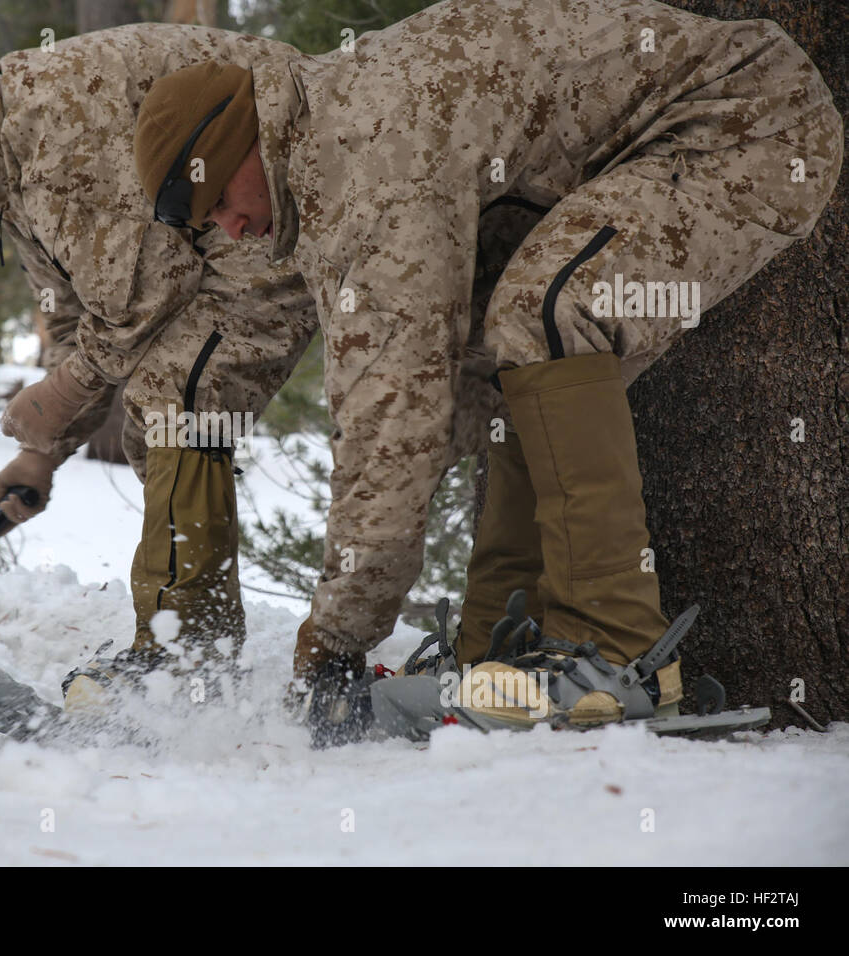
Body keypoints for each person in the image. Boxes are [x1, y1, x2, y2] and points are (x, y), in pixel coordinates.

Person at [132, 0, 842, 743]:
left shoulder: (360, 158)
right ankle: (502, 647)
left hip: (748, 122)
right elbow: (438, 399)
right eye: (208, 223)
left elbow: (391, 424)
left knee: (548, 311)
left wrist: (335, 642)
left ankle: (615, 652)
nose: (233, 229)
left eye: (218, 203)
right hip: (668, 142)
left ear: (242, 143)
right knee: (511, 352)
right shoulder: (325, 141)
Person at [0, 25, 328, 705]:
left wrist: (62, 390)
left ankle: (180, 659)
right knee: (166, 418)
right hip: (227, 225)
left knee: (175, 399)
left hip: (285, 192)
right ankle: (196, 649)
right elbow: (83, 318)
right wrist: (43, 449)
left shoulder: (51, 126)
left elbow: (147, 292)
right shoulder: (9, 170)